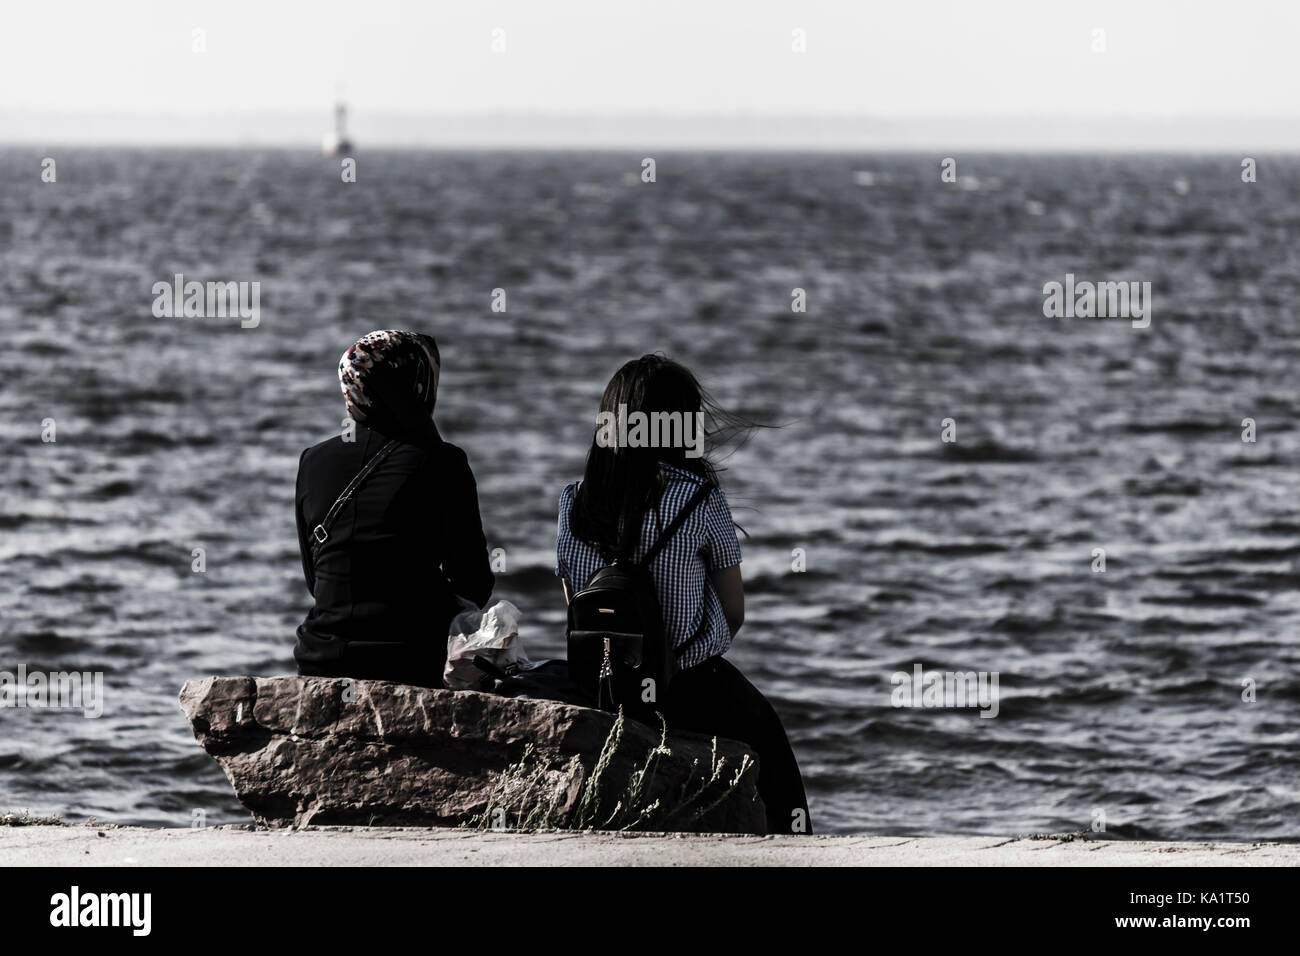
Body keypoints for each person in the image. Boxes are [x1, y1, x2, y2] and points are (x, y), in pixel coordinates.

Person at [555, 354, 813, 834]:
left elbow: (575, 605)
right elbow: (734, 615)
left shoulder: (573, 502)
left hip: (603, 685)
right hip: (689, 687)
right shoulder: (701, 498)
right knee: (774, 756)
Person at [294, 330, 493, 687]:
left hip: (320, 657)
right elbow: (473, 582)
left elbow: (316, 580)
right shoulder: (442, 461)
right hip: (410, 659)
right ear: (416, 384)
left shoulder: (313, 461)